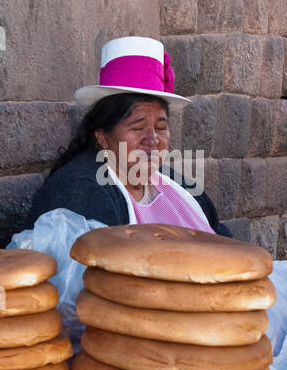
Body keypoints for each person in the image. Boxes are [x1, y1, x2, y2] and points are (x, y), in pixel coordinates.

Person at [28, 36, 232, 234]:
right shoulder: (81, 190)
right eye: (137, 127)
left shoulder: (177, 186)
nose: (153, 140)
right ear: (101, 137)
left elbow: (225, 243)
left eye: (161, 127)